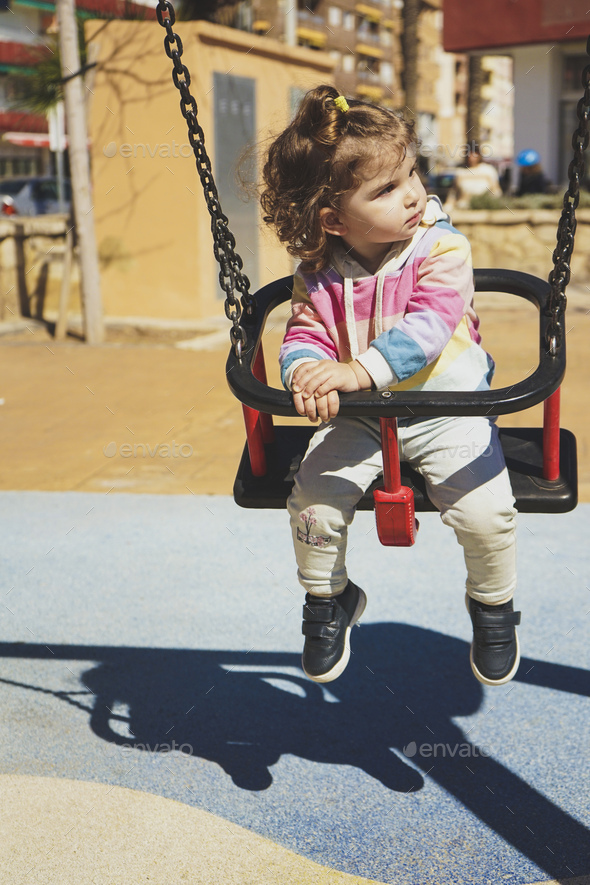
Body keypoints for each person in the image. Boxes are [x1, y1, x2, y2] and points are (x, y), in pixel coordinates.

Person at [260, 85, 520, 687]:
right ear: (333, 219)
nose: (414, 194)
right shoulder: (319, 274)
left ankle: (492, 603)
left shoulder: (442, 247)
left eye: (411, 174)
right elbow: (304, 334)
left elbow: (429, 327)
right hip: (358, 418)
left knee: (487, 515)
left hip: (448, 410)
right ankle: (329, 599)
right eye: (386, 189)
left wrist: (356, 371)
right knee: (312, 504)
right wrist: (305, 374)